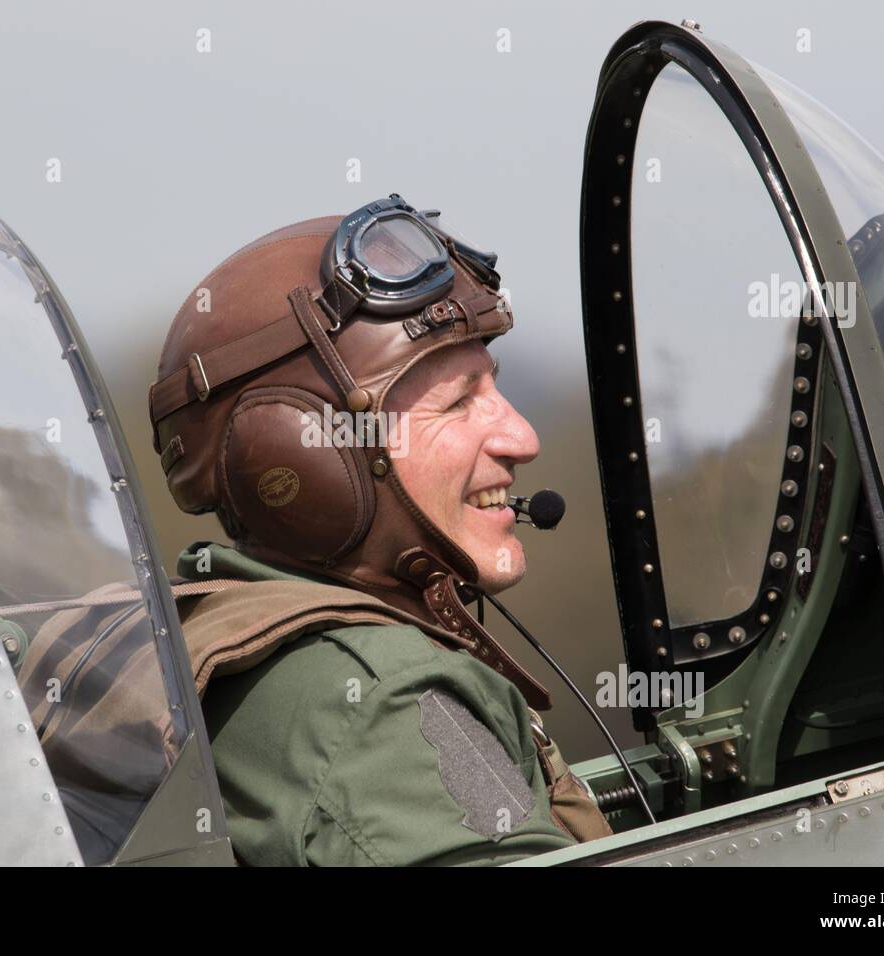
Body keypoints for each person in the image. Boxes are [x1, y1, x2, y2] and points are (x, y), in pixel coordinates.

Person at [147, 195, 612, 865]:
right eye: (458, 404)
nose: (522, 437)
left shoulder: (222, 630)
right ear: (306, 458)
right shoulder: (381, 706)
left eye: (495, 389)